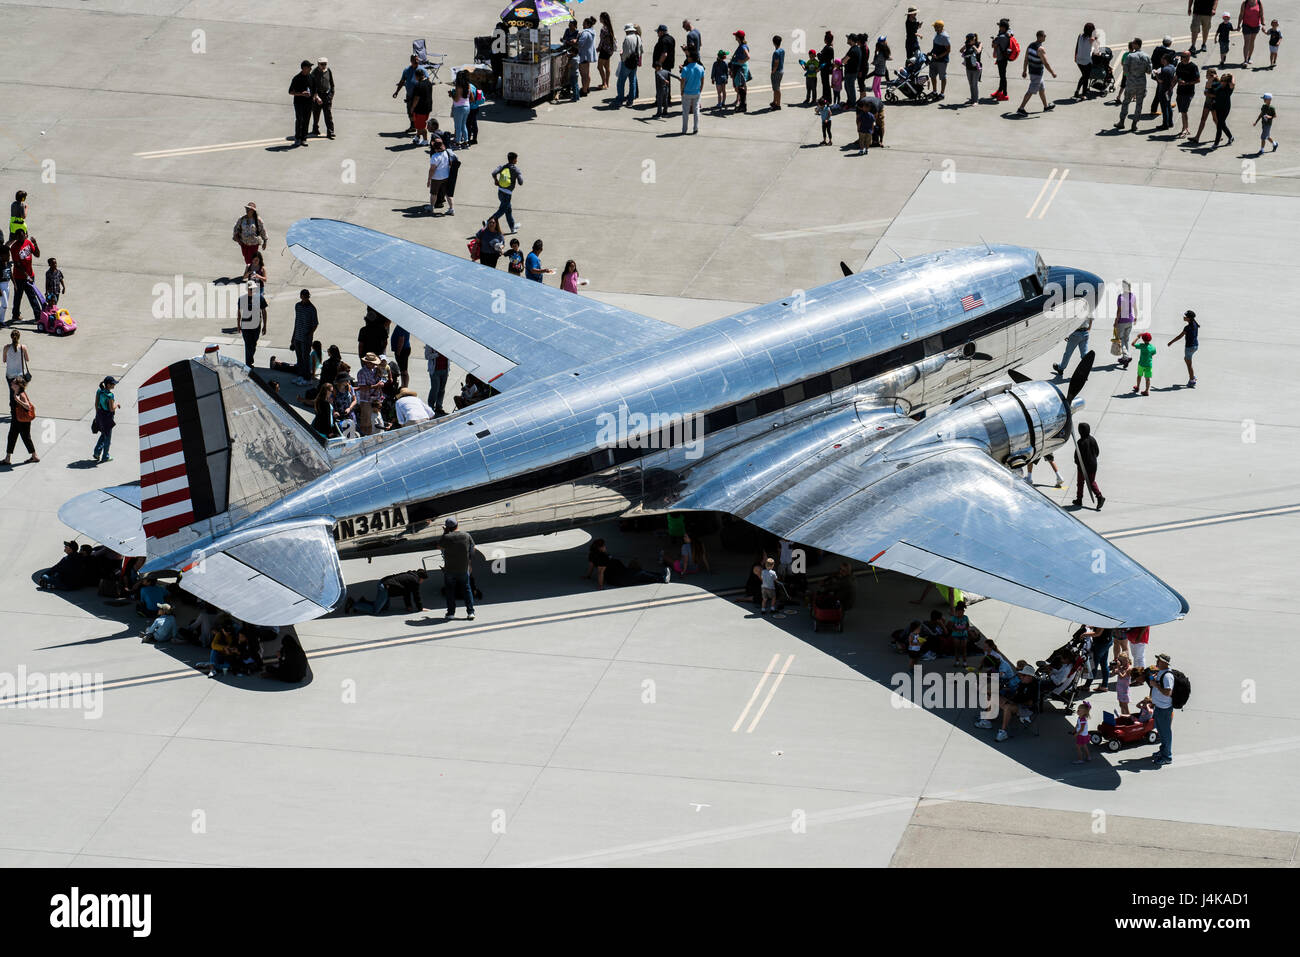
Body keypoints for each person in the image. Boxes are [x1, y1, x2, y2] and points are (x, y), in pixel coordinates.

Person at [439, 517, 476, 620]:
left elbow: (439, 546)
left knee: (450, 591)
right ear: (457, 524)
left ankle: (451, 613)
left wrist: (445, 533)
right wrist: (469, 562)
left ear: (447, 527)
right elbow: (473, 549)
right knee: (467, 589)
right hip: (463, 569)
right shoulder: (466, 535)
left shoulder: (446, 537)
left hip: (449, 570)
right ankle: (470, 612)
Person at [346, 569, 428, 615]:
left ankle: (363, 602)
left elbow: (406, 592)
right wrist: (420, 608)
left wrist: (408, 606)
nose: (422, 582)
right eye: (423, 580)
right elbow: (416, 595)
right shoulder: (415, 581)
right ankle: (353, 604)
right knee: (375, 610)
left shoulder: (411, 576)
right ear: (421, 578)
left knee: (384, 607)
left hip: (385, 583)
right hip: (385, 588)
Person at [1017, 30, 1057, 115]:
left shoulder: (1030, 45)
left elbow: (1026, 59)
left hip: (1032, 72)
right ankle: (1021, 108)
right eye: (1044, 36)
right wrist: (1052, 73)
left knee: (1041, 88)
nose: (1045, 36)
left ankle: (1046, 107)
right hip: (1037, 73)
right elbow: (1046, 63)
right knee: (1031, 91)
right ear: (1039, 37)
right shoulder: (1040, 49)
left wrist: (1024, 71)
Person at [1116, 39, 1152, 131]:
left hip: (1131, 83)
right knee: (1139, 104)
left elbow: (1125, 70)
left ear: (1136, 45)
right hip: (1141, 84)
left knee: (1126, 102)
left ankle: (1121, 122)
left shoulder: (1130, 56)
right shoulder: (1146, 56)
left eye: (1133, 43)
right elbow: (1149, 71)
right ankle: (1134, 124)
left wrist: (1131, 74)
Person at [7, 229, 42, 325]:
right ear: (16, 237)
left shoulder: (28, 242)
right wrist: (26, 276)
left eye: (23, 236)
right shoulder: (14, 248)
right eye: (19, 237)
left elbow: (37, 255)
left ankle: (38, 316)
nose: (21, 238)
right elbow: (17, 265)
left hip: (30, 275)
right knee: (18, 296)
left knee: (32, 296)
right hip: (19, 277)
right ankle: (15, 314)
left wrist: (35, 244)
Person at [1148, 652, 1177, 765]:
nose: (1156, 662)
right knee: (1161, 732)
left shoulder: (1168, 676)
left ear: (1164, 663)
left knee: (1165, 734)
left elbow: (1168, 692)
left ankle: (1167, 757)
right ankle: (1163, 751)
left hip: (1164, 709)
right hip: (1159, 707)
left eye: (1159, 660)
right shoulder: (1161, 672)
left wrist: (1156, 685)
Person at [3, 378, 37, 464]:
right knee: (12, 437)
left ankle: (34, 456)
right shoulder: (16, 393)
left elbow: (28, 406)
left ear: (18, 385)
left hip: (22, 421)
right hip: (16, 419)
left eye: (14, 383)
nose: (11, 383)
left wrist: (17, 400)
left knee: (26, 438)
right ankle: (7, 458)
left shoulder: (21, 394)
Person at [1072, 421, 1104, 509]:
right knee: (1091, 482)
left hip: (1083, 467)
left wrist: (1077, 462)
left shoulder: (1080, 442)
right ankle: (1080, 499)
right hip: (1093, 465)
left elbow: (1077, 455)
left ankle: (1099, 497)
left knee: (1081, 483)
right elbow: (1097, 452)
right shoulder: (1093, 439)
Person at [290, 289, 318, 384]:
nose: (306, 298)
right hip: (297, 336)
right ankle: (300, 376)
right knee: (299, 358)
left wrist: (309, 335)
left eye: (307, 297)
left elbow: (315, 324)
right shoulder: (297, 306)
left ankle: (307, 378)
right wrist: (293, 337)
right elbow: (296, 321)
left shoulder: (312, 309)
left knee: (305, 358)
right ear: (301, 296)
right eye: (304, 296)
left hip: (306, 338)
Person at [490, 153, 523, 234]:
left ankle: (512, 228)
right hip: (507, 195)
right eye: (516, 159)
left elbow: (493, 173)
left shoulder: (503, 167)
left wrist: (496, 180)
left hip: (500, 192)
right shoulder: (516, 169)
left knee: (508, 210)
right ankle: (488, 222)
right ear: (514, 159)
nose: (517, 160)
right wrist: (518, 175)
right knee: (501, 211)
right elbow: (521, 182)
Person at [1167, 309, 1200, 387]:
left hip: (1189, 347)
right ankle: (1192, 377)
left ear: (1189, 318)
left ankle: (1192, 380)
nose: (1183, 317)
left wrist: (1171, 342)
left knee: (1189, 364)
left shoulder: (1187, 327)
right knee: (1187, 360)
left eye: (1185, 316)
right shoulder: (1195, 323)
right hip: (1195, 346)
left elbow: (1179, 337)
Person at [1052, 311, 1092, 377]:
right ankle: (1085, 372)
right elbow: (1091, 319)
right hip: (1085, 333)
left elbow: (1069, 322)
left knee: (1068, 353)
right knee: (1084, 355)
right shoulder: (1089, 307)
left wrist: (1066, 334)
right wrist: (1089, 329)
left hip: (1075, 334)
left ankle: (1061, 368)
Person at [354, 352, 385, 436]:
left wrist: (381, 382)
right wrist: (376, 385)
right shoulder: (361, 373)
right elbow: (362, 387)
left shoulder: (376, 369)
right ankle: (366, 437)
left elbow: (382, 379)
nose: (374, 365)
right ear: (367, 362)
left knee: (376, 420)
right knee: (367, 422)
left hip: (376, 399)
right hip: (366, 400)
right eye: (372, 363)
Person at [237, 279, 266, 367]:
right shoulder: (242, 298)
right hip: (246, 326)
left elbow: (264, 311)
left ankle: (249, 360)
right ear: (247, 289)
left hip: (256, 326)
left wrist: (265, 325)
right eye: (250, 288)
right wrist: (238, 324)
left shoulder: (260, 298)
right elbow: (239, 312)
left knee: (253, 344)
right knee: (248, 344)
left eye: (253, 288)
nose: (252, 290)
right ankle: (248, 363)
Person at [614, 23, 643, 107]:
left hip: (627, 62)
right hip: (634, 62)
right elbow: (641, 50)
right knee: (632, 81)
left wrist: (622, 57)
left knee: (621, 82)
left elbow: (625, 52)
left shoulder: (627, 38)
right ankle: (630, 101)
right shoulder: (638, 37)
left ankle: (620, 99)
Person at [1189, 67, 1220, 143]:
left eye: (1208, 74)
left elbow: (1217, 95)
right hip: (1208, 102)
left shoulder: (1217, 83)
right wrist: (1208, 92)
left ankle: (1219, 135)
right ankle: (1197, 137)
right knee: (1203, 119)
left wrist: (1209, 93)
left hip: (1214, 103)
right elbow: (1206, 91)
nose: (1206, 75)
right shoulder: (1208, 82)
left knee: (1215, 120)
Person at [427, 137, 456, 216]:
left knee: (434, 193)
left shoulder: (435, 157)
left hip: (436, 178)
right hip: (446, 177)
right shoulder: (447, 153)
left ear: (435, 149)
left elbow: (432, 170)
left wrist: (429, 179)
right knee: (447, 194)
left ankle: (431, 207)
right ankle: (451, 209)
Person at [232, 202, 267, 268]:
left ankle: (252, 271)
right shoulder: (242, 219)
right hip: (244, 243)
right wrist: (238, 239)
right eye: (247, 209)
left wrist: (265, 241)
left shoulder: (258, 220)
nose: (247, 211)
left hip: (254, 243)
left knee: (252, 258)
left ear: (253, 211)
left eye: (249, 209)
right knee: (246, 257)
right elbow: (236, 228)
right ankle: (251, 270)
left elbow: (263, 230)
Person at [1175, 49, 1201, 136]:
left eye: (1184, 57)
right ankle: (1186, 128)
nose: (1182, 58)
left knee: (1183, 111)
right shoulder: (1180, 65)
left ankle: (1184, 129)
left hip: (1188, 92)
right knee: (1182, 111)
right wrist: (1172, 86)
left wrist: (1186, 83)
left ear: (1188, 57)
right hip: (1179, 91)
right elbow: (1177, 76)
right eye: (1181, 56)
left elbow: (1198, 80)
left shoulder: (1193, 67)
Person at [392, 53, 421, 132]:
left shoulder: (422, 70)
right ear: (411, 61)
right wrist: (397, 92)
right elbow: (402, 81)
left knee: (418, 113)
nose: (416, 61)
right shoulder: (407, 70)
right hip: (410, 96)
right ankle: (413, 126)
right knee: (410, 111)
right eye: (415, 60)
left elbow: (427, 82)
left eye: (417, 59)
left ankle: (420, 129)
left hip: (419, 97)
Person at [288, 60, 314, 147]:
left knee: (306, 120)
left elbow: (315, 89)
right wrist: (301, 94)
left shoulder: (311, 77)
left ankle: (304, 138)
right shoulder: (296, 78)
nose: (311, 68)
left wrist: (315, 97)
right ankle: (297, 138)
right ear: (304, 68)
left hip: (309, 103)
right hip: (299, 103)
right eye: (309, 67)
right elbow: (290, 92)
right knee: (300, 120)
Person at [677, 52, 705, 133]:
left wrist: (681, 91)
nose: (687, 57)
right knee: (696, 111)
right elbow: (702, 81)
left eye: (688, 56)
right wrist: (700, 90)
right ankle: (695, 128)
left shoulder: (685, 69)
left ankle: (684, 129)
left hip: (687, 92)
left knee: (685, 112)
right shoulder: (701, 68)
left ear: (691, 58)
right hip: (696, 92)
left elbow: (683, 82)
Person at [92, 375, 118, 462]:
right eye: (113, 384)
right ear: (108, 385)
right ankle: (105, 456)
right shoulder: (110, 395)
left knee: (103, 434)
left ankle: (96, 452)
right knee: (108, 438)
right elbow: (111, 409)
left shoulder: (99, 391)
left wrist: (97, 415)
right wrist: (117, 405)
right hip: (107, 417)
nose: (114, 385)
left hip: (100, 414)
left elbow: (96, 403)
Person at [653, 25, 676, 118]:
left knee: (660, 85)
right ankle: (667, 100)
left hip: (663, 66)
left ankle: (660, 101)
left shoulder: (663, 40)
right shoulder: (671, 39)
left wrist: (659, 64)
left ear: (662, 32)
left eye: (658, 32)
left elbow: (664, 54)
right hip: (669, 65)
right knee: (666, 85)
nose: (657, 34)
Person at [1114, 279, 1137, 368]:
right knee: (1126, 339)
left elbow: (1119, 310)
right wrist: (1136, 318)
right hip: (1130, 320)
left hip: (1122, 321)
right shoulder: (1133, 296)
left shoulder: (1121, 297)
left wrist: (1116, 321)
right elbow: (1135, 308)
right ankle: (1124, 358)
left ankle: (1126, 356)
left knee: (1120, 340)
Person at [310, 57, 335, 138]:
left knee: (328, 115)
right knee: (316, 114)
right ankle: (315, 129)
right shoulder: (314, 73)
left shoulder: (328, 71)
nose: (324, 66)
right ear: (318, 64)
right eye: (322, 64)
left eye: (325, 64)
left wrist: (331, 94)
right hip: (317, 96)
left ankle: (330, 132)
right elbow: (311, 86)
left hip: (327, 95)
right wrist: (316, 96)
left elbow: (332, 83)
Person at [4, 329, 30, 401]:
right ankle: (21, 406)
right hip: (20, 375)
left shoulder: (6, 347)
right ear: (19, 337)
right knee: (21, 392)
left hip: (10, 374)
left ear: (11, 337)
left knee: (12, 392)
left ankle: (13, 409)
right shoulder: (23, 347)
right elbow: (27, 359)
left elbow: (4, 360)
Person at [1074, 23, 1099, 98]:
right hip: (1087, 61)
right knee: (1086, 77)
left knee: (1084, 76)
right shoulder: (1092, 38)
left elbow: (1077, 46)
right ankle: (1083, 94)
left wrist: (1075, 56)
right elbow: (1097, 50)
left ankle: (1077, 91)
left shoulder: (1080, 35)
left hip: (1079, 59)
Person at [990, 19, 1013, 102]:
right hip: (1004, 58)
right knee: (1002, 76)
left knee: (1003, 77)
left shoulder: (1001, 37)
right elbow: (1011, 30)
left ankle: (1005, 94)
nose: (998, 28)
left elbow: (994, 45)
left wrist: (994, 42)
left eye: (1000, 26)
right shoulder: (1008, 33)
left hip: (1001, 59)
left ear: (1003, 28)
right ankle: (999, 92)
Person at [409, 68, 433, 145]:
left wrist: (412, 108)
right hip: (427, 107)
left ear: (417, 76)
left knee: (421, 126)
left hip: (420, 109)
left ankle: (425, 140)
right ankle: (417, 136)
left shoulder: (418, 85)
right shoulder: (429, 83)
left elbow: (416, 98)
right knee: (419, 124)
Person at [928, 20, 951, 98]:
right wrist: (931, 53)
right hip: (934, 59)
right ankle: (934, 92)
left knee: (942, 77)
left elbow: (948, 50)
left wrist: (939, 56)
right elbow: (935, 46)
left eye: (935, 27)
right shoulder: (937, 34)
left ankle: (942, 93)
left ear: (940, 27)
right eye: (934, 26)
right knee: (932, 76)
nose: (934, 28)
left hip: (942, 61)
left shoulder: (945, 36)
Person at [1213, 71, 1236, 146]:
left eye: (1224, 80)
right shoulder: (1218, 85)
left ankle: (1216, 144)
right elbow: (1211, 88)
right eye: (1221, 80)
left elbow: (1233, 83)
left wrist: (1231, 75)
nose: (1222, 82)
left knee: (1219, 125)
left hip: (1225, 108)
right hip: (1217, 107)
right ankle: (1231, 137)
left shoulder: (1229, 88)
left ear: (1227, 82)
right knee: (1222, 125)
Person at [730, 31, 751, 112]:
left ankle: (743, 106)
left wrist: (742, 61)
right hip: (738, 68)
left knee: (740, 87)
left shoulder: (743, 47)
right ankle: (742, 104)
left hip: (740, 69)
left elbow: (748, 56)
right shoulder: (742, 45)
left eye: (736, 35)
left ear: (738, 37)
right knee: (740, 87)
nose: (735, 36)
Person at [1239, 0, 1265, 65]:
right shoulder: (1244, 3)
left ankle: (1249, 58)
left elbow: (1261, 14)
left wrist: (1263, 25)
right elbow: (1241, 14)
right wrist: (1238, 24)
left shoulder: (1259, 2)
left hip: (1256, 26)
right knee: (1247, 42)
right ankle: (1245, 60)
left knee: (1252, 42)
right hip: (1246, 25)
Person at [578, 17, 598, 95]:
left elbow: (580, 44)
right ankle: (587, 87)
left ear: (587, 24)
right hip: (588, 55)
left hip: (583, 55)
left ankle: (584, 90)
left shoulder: (585, 33)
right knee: (587, 74)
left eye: (584, 23)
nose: (582, 24)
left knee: (584, 75)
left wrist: (575, 41)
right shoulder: (592, 31)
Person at [960, 33, 982, 103]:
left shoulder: (978, 44)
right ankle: (972, 99)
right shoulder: (967, 45)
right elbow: (960, 50)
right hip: (968, 67)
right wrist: (966, 46)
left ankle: (976, 100)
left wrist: (973, 46)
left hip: (976, 68)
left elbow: (978, 51)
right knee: (971, 84)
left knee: (974, 84)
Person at [949, 600, 971, 668]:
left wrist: (966, 630)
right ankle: (957, 661)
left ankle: (964, 662)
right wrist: (956, 630)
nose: (959, 614)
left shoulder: (965, 617)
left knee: (964, 648)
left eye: (961, 612)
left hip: (964, 635)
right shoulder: (953, 618)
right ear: (956, 612)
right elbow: (950, 626)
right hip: (956, 635)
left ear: (963, 612)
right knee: (957, 648)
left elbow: (967, 625)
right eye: (958, 613)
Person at [597, 12, 616, 90]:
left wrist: (598, 48)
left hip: (604, 50)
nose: (599, 19)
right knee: (606, 67)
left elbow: (602, 41)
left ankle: (604, 83)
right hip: (610, 50)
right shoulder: (609, 27)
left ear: (603, 19)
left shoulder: (603, 29)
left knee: (599, 67)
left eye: (600, 18)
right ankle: (606, 83)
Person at [767, 35, 785, 110]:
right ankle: (774, 102)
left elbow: (776, 63)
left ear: (774, 42)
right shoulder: (782, 50)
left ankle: (778, 105)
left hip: (776, 72)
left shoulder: (776, 53)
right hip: (781, 71)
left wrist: (773, 71)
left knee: (776, 89)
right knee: (775, 88)